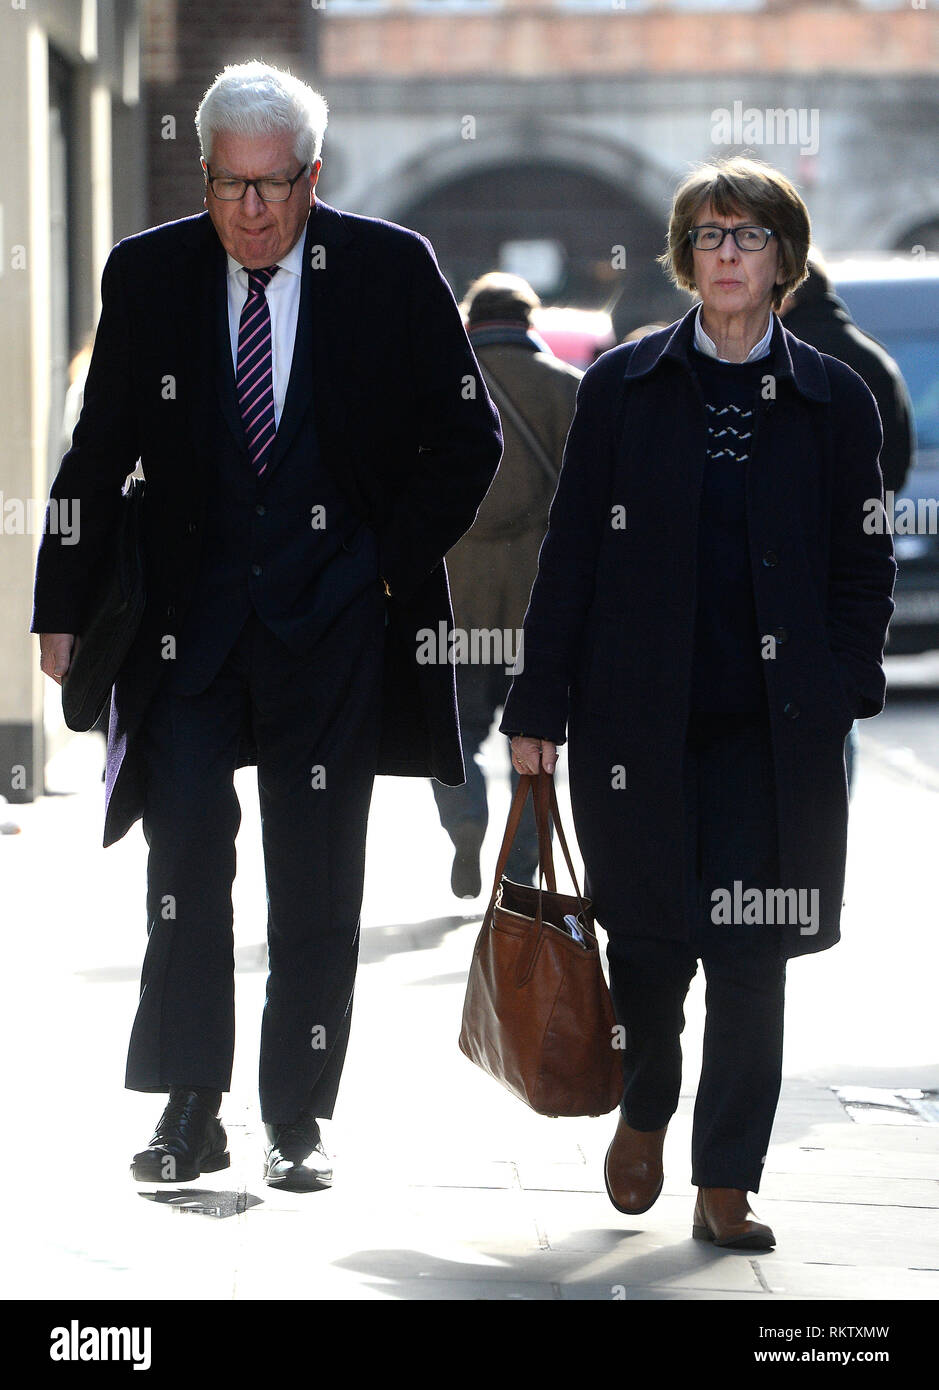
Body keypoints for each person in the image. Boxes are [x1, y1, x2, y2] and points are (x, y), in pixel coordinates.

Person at [32, 62, 502, 1193]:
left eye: (273, 188)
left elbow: (468, 439)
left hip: (331, 629)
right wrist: (58, 603)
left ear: (311, 177)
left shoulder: (389, 270)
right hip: (185, 632)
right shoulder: (148, 274)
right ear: (204, 175)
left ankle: (299, 1115)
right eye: (229, 187)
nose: (251, 212)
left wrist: (381, 568)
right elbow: (97, 454)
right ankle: (191, 1108)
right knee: (183, 859)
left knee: (317, 868)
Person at [501, 156, 895, 1250]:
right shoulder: (624, 388)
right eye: (711, 235)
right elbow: (570, 552)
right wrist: (539, 700)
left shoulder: (835, 397)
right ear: (686, 259)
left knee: (750, 956)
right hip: (639, 728)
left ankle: (728, 1176)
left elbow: (866, 564)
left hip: (773, 735)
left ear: (783, 263)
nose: (728, 253)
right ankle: (647, 1104)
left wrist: (843, 681)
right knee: (653, 949)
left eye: (750, 235)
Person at [432, 272, 582, 897]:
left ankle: (466, 825)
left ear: (469, 322)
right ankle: (517, 871)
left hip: (456, 599)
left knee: (454, 733)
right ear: (530, 321)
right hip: (537, 604)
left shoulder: (436, 390)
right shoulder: (570, 390)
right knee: (535, 737)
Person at [781, 250, 915, 792]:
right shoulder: (873, 357)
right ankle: (830, 805)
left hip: (781, 545)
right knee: (837, 685)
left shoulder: (776, 355)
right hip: (853, 551)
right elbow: (898, 459)